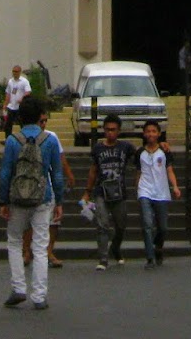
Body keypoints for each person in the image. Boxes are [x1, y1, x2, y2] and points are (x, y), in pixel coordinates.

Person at [0, 96, 66, 310]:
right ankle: (39, 295)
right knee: (40, 245)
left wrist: (3, 200)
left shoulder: (12, 140)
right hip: (42, 198)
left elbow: (5, 173)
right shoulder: (50, 140)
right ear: (40, 117)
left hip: (18, 198)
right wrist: (59, 201)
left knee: (15, 241)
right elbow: (57, 174)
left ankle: (18, 288)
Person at [82, 113, 136, 270]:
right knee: (102, 224)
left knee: (121, 225)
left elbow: (141, 155)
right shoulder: (98, 148)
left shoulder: (125, 147)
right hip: (101, 191)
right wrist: (87, 191)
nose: (110, 133)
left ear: (118, 131)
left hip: (119, 191)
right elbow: (93, 170)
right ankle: (103, 258)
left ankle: (115, 247)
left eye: (113, 130)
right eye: (107, 130)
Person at [25, 107, 77, 269]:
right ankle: (26, 252)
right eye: (41, 121)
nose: (44, 124)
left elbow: (60, 159)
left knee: (54, 221)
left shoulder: (51, 137)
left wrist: (68, 175)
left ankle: (49, 251)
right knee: (28, 221)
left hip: (49, 185)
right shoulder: (24, 137)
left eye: (46, 121)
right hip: (29, 184)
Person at [136, 120, 181, 269]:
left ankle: (158, 247)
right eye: (148, 131)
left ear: (159, 134)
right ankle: (150, 257)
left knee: (163, 228)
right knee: (147, 224)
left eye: (153, 131)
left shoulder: (164, 151)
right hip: (145, 191)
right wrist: (137, 189)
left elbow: (169, 170)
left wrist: (175, 186)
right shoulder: (140, 152)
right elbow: (138, 172)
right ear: (144, 134)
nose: (150, 134)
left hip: (161, 192)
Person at [4, 65, 30, 134]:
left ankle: (26, 137)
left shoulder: (24, 81)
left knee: (22, 123)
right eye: (13, 71)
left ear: (19, 72)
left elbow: (28, 92)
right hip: (11, 106)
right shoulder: (10, 81)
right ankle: (8, 138)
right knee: (8, 124)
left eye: (16, 71)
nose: (14, 73)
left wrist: (22, 99)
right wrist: (5, 104)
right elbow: (8, 93)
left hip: (19, 106)